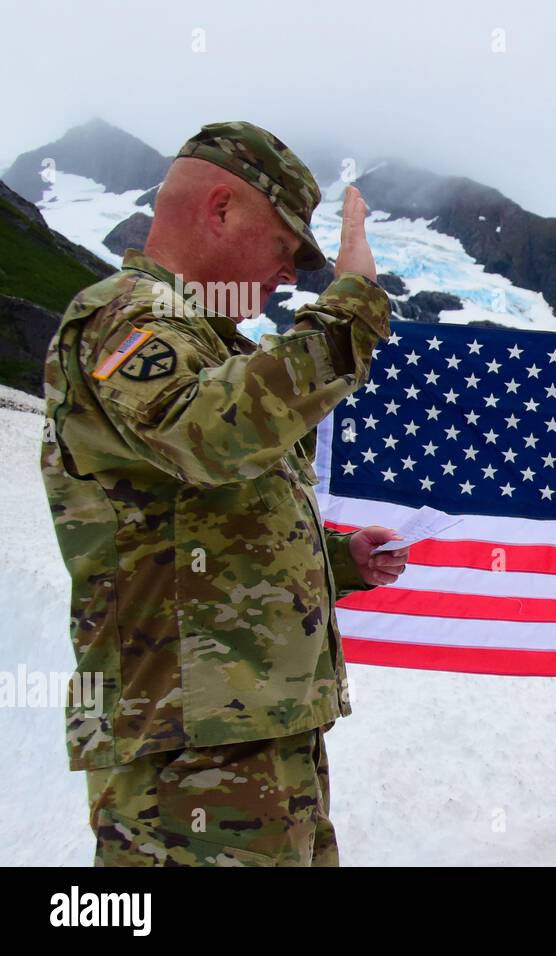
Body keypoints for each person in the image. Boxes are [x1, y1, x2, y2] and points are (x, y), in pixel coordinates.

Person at [41, 121, 409, 866]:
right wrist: (350, 310)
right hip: (188, 751)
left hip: (244, 730)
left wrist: (334, 561)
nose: (286, 277)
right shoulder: (125, 316)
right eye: (284, 248)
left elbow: (198, 516)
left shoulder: (204, 343)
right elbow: (208, 435)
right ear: (220, 210)